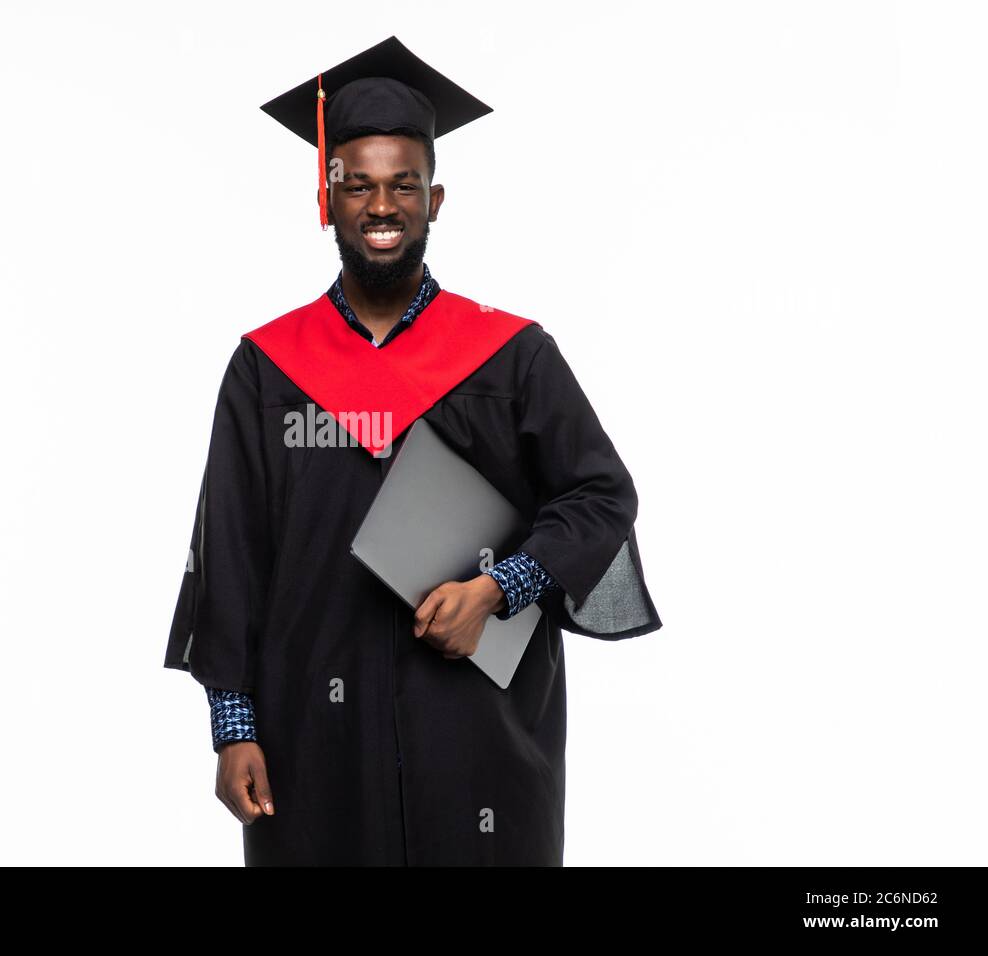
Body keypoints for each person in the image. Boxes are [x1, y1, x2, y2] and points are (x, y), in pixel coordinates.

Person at [163, 35, 662, 866]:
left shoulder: (510, 356)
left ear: (436, 200)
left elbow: (602, 496)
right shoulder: (267, 368)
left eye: (403, 185)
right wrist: (233, 728)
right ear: (327, 197)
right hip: (311, 742)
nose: (381, 205)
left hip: (478, 738)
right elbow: (234, 559)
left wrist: (500, 590)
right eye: (357, 184)